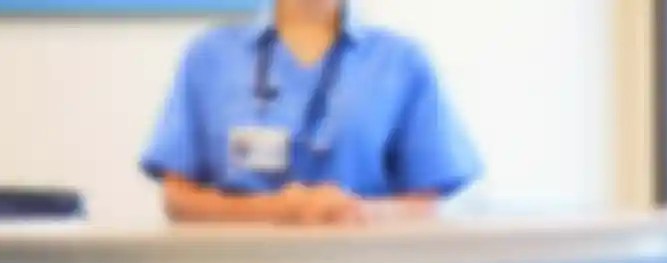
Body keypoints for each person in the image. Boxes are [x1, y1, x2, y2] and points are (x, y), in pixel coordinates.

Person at [141, 0, 482, 225]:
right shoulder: (210, 56)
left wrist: (355, 213)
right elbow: (177, 200)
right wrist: (275, 211)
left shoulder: (401, 60)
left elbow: (427, 204)